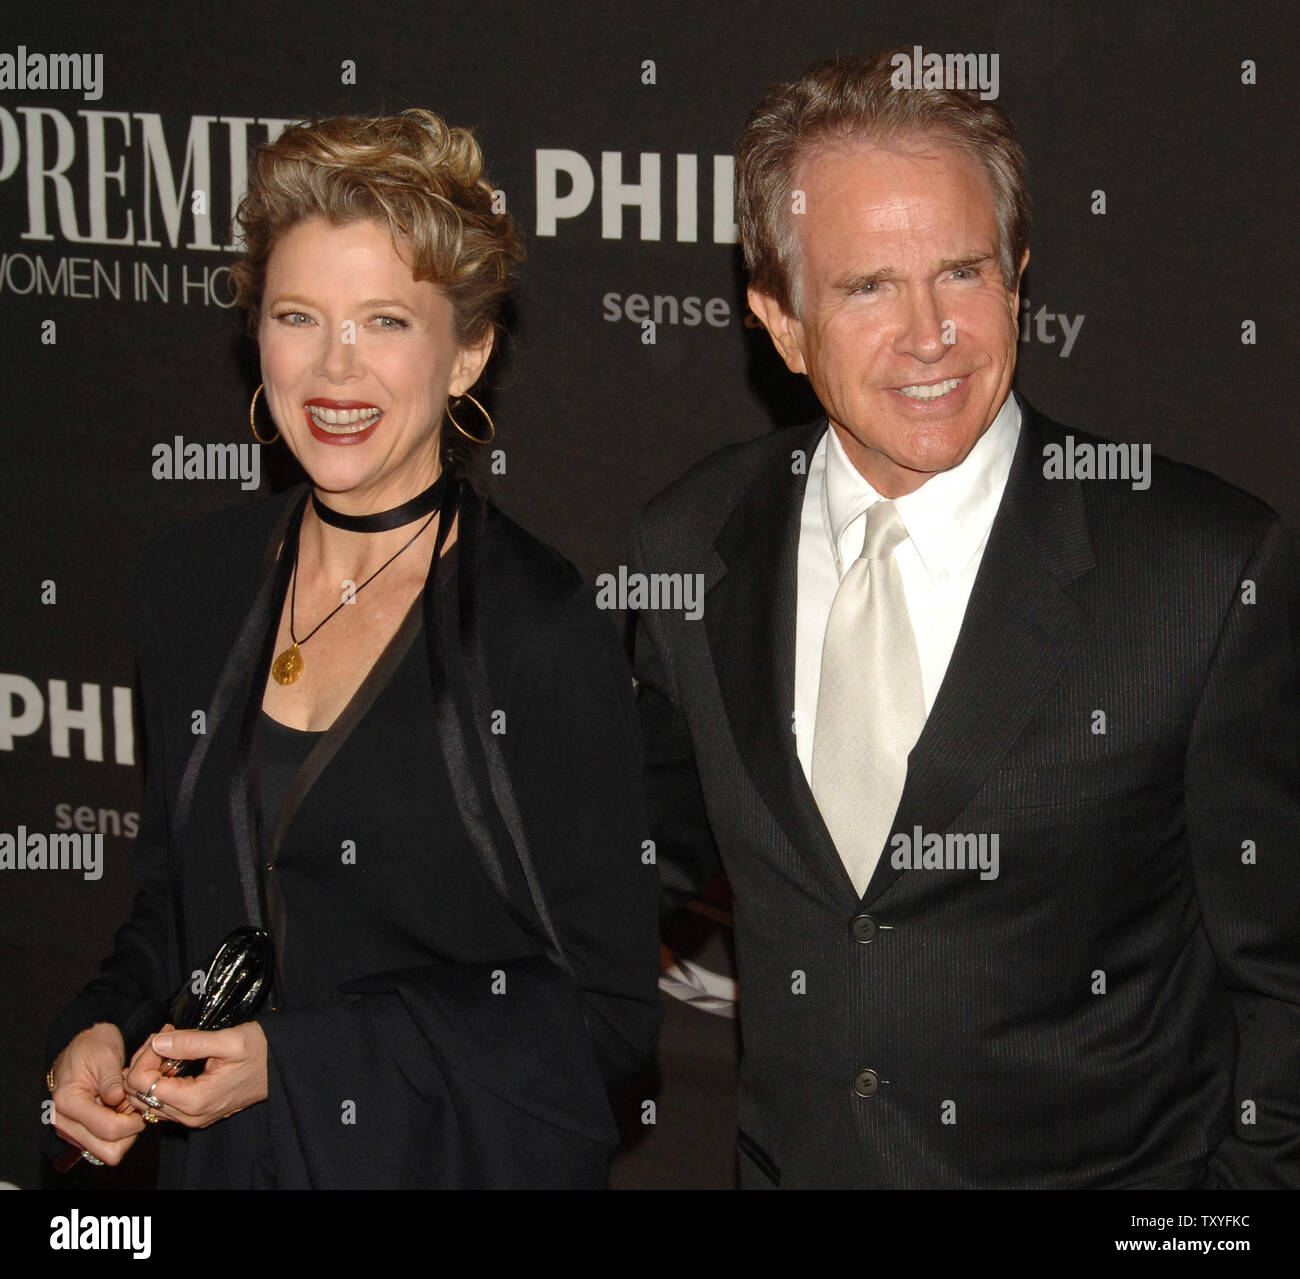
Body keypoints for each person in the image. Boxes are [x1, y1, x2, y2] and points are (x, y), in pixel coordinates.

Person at [630, 50, 1300, 1188]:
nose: (930, 332)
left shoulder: (1200, 568)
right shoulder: (689, 545)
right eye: (865, 287)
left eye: (963, 272)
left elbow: (1286, 989)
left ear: (1019, 278)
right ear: (780, 324)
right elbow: (613, 869)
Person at [44, 109, 660, 1188]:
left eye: (384, 321)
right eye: (298, 316)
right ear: (257, 336)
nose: (335, 369)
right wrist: (104, 1022)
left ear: (467, 352)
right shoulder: (191, 582)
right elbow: (173, 911)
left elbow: (601, 1022)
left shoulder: (538, 628)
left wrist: (301, 1059)